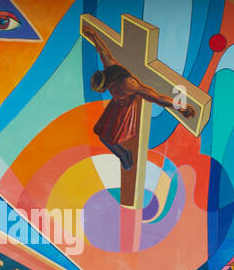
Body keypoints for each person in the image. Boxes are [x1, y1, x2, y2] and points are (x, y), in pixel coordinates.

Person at [84, 23, 196, 170]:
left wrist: (181, 107)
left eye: (102, 88)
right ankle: (123, 153)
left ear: (107, 83)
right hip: (115, 105)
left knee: (109, 138)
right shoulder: (109, 68)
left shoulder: (129, 85)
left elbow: (157, 98)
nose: (103, 91)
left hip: (124, 111)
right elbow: (102, 50)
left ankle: (124, 156)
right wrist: (93, 35)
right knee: (100, 133)